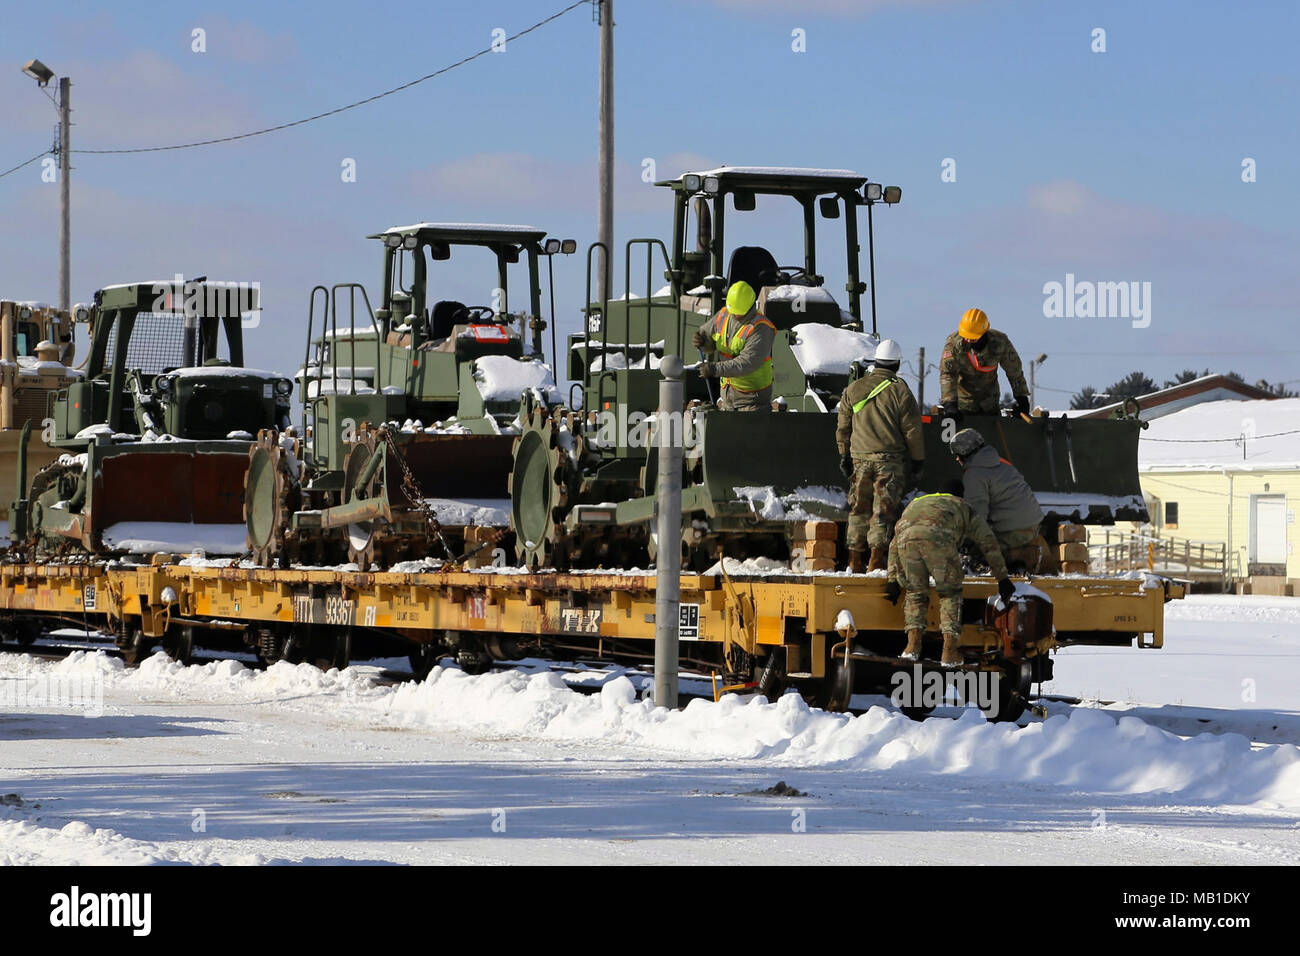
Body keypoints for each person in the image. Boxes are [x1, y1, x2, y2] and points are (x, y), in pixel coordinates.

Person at [884, 478, 1016, 667]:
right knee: (950, 593)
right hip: (939, 541)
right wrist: (1002, 578)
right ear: (960, 495)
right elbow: (988, 542)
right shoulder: (963, 506)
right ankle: (949, 652)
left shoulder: (916, 503)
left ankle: (912, 647)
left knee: (915, 593)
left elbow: (894, 543)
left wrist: (892, 579)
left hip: (907, 541)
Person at [835, 338, 924, 573]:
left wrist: (844, 455)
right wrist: (918, 460)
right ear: (896, 364)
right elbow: (912, 430)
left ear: (876, 362)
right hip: (889, 462)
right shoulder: (900, 390)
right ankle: (875, 560)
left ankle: (853, 560)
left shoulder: (854, 389)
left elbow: (843, 427)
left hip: (860, 459)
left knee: (858, 509)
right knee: (882, 512)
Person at [947, 428, 1059, 574]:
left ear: (964, 453)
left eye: (957, 455)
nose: (957, 459)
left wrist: (965, 542)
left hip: (1010, 531)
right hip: (1033, 526)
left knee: (974, 556)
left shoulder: (974, 474)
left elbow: (977, 515)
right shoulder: (1003, 463)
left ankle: (1007, 571)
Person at [692, 280, 776, 412]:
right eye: (733, 311)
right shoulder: (726, 314)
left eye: (739, 312)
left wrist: (714, 369)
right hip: (728, 401)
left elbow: (746, 363)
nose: (735, 315)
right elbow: (708, 336)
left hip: (752, 402)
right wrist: (702, 341)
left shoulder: (761, 328)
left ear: (749, 307)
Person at [938, 308, 1029, 418]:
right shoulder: (954, 345)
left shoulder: (1000, 342)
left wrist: (1022, 398)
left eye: (973, 338)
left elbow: (1014, 372)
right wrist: (950, 404)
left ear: (983, 332)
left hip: (990, 405)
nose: (968, 340)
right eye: (966, 336)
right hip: (963, 407)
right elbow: (948, 374)